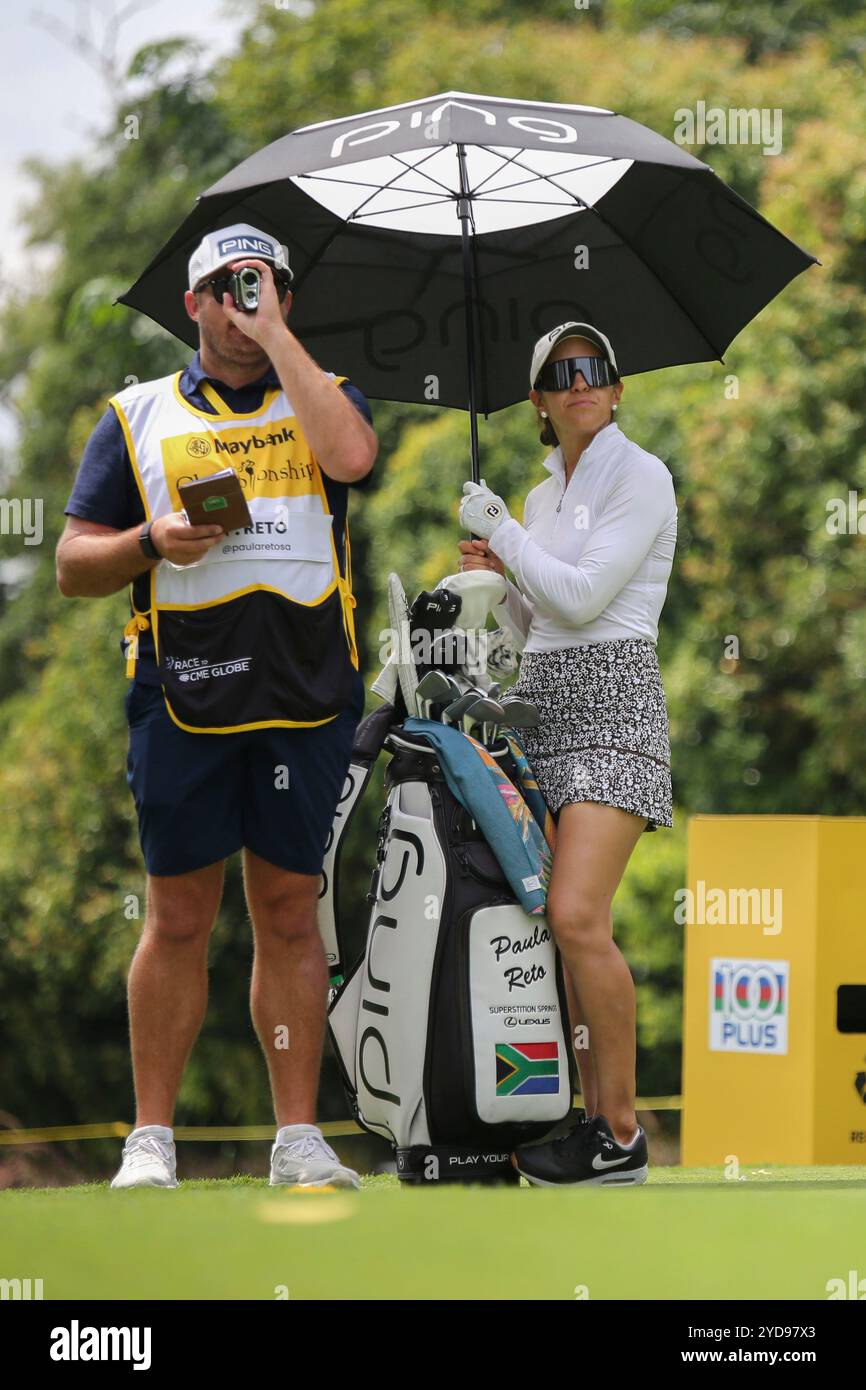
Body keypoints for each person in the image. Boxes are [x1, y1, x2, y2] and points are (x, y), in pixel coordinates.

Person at [56, 223, 377, 1191]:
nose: (243, 300)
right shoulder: (135, 414)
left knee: (289, 910)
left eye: (262, 284)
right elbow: (73, 565)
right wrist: (151, 541)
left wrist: (280, 337)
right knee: (178, 914)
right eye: (227, 289)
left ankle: (297, 1138)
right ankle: (150, 1138)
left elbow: (353, 457)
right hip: (184, 691)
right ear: (190, 303)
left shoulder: (320, 389)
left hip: (305, 692)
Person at [458, 321, 677, 1186]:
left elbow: (585, 601)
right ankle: (592, 1124)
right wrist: (492, 575)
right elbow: (533, 623)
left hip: (615, 700)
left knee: (578, 915)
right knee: (565, 929)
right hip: (542, 709)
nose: (581, 381)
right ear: (540, 404)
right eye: (561, 373)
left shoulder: (642, 473)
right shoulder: (544, 497)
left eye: (595, 369)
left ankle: (621, 1134)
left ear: (616, 389)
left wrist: (504, 534)